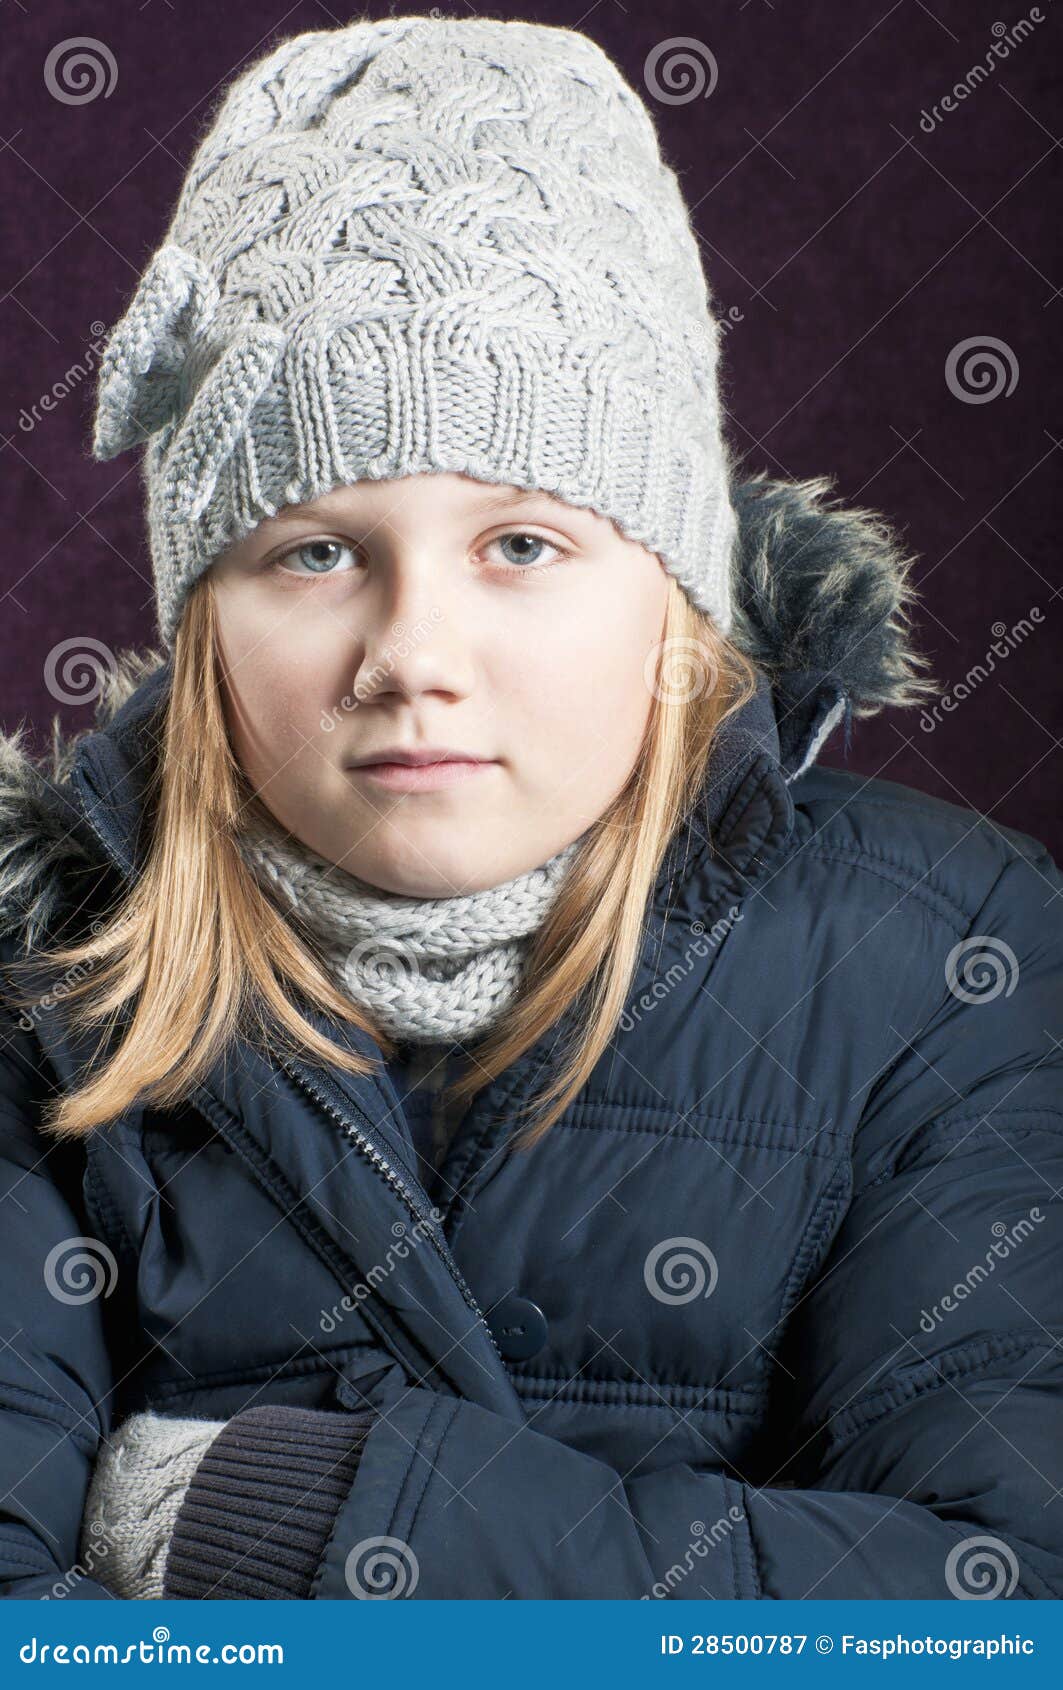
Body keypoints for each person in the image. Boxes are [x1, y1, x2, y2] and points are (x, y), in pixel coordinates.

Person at [0, 14, 1060, 1603]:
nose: (414, 657)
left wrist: (329, 1515)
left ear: (672, 598)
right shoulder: (50, 982)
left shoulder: (950, 960)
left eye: (522, 545)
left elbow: (998, 1600)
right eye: (311, 550)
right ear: (204, 618)